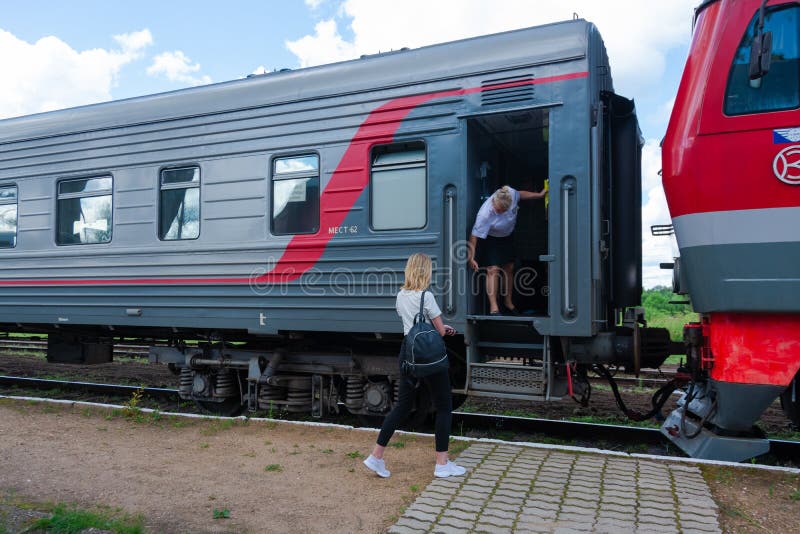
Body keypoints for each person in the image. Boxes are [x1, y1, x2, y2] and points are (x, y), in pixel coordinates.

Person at [363, 253, 464, 479]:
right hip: (428, 356)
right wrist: (445, 328)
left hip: (408, 354)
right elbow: (439, 331)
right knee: (444, 407)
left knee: (402, 406)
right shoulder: (426, 296)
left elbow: (411, 323)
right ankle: (442, 464)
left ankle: (376, 456)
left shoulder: (401, 295)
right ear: (425, 271)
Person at [467, 184, 547, 315]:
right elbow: (474, 236)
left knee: (509, 267)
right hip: (491, 238)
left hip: (507, 236)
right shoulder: (484, 214)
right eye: (497, 209)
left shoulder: (511, 194)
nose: (498, 212)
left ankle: (508, 302)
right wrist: (471, 257)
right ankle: (494, 308)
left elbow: (520, 194)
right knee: (493, 269)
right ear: (494, 201)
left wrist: (539, 195)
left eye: (502, 211)